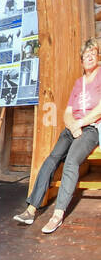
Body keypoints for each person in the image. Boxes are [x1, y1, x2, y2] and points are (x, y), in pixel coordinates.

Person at [14, 37, 101, 233]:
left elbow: (99, 109)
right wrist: (72, 125)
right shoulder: (79, 83)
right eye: (86, 55)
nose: (89, 57)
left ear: (97, 57)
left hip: (91, 128)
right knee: (51, 159)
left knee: (71, 161)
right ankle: (31, 209)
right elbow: (67, 112)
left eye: (93, 53)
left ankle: (57, 215)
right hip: (73, 128)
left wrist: (80, 124)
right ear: (81, 60)